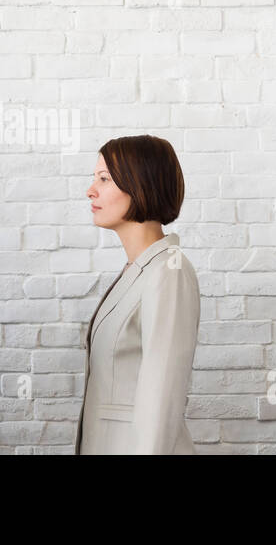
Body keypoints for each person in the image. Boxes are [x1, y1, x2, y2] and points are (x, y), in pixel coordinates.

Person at [78, 135, 200, 454]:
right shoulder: (136, 271)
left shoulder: (168, 271)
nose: (91, 190)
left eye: (104, 179)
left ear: (140, 183)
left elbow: (162, 399)